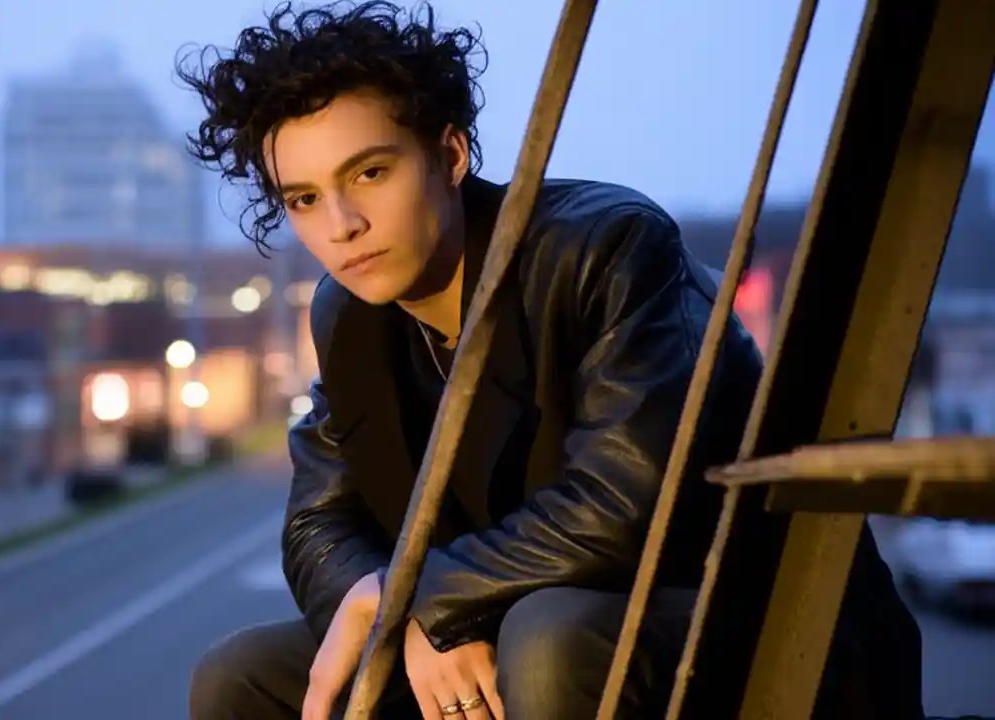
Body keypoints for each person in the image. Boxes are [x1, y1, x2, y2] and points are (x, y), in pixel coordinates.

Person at [178, 2, 923, 718]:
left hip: (748, 617)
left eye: (370, 173)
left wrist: (427, 602)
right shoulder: (347, 315)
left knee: (547, 641)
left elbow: (621, 505)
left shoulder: (604, 247)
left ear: (450, 155)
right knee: (241, 676)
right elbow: (318, 524)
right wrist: (404, 616)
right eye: (305, 199)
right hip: (507, 614)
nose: (342, 226)